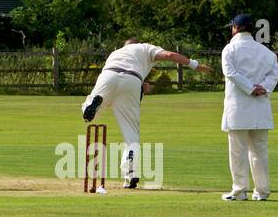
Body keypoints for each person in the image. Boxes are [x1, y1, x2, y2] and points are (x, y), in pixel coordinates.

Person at [82, 39, 210, 188]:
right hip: (132, 80)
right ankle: (130, 175)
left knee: (91, 115)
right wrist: (195, 65)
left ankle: (90, 106)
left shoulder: (116, 52)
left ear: (125, 46)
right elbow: (169, 55)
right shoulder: (145, 48)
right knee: (131, 135)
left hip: (108, 75)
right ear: (138, 43)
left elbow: (117, 84)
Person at [220, 14, 278, 201]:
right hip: (260, 108)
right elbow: (275, 72)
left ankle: (239, 191)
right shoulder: (266, 52)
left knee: (238, 152)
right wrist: (264, 87)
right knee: (259, 152)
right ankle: (262, 191)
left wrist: (250, 89)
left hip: (238, 108)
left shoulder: (229, 49)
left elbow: (230, 73)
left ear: (236, 28)